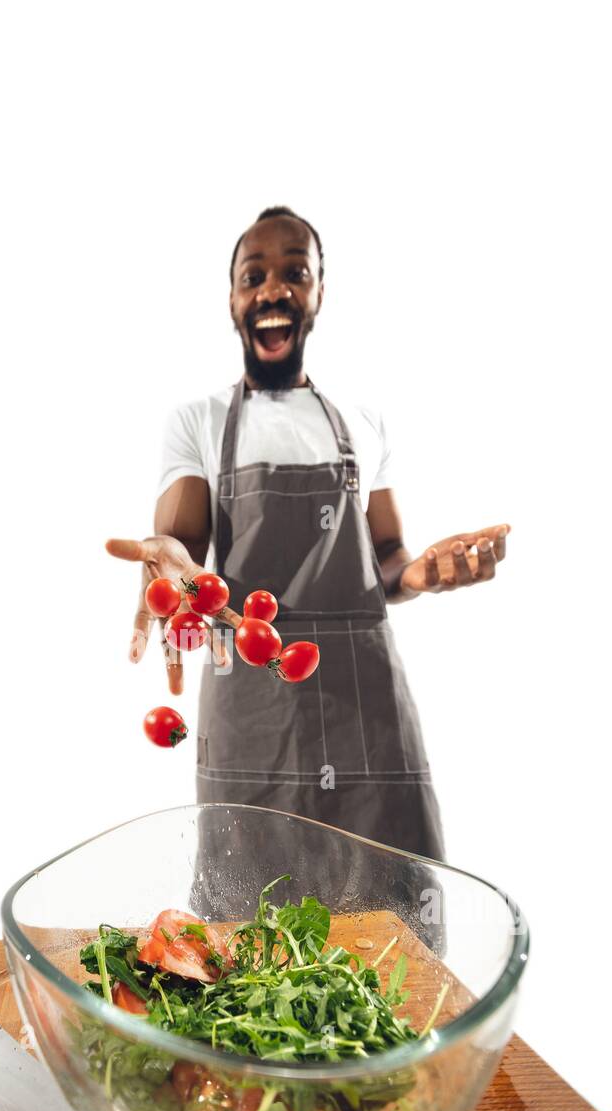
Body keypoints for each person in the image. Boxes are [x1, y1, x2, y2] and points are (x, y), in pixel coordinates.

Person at [108, 205, 509, 867]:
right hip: (251, 716)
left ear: (319, 293)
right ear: (234, 299)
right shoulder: (199, 421)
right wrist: (169, 563)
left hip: (367, 708)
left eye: (296, 272)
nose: (274, 288)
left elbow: (385, 557)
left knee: (394, 929)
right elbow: (179, 545)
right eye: (254, 275)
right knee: (248, 926)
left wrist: (424, 573)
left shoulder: (363, 420)